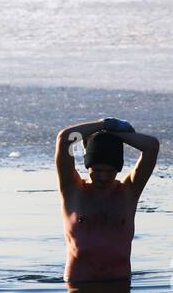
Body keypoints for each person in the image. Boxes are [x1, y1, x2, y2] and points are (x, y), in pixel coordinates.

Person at [55, 119, 159, 283]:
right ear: (88, 167)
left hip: (120, 286)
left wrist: (116, 134)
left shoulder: (129, 192)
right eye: (96, 170)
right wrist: (103, 124)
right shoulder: (72, 191)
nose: (103, 177)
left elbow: (151, 147)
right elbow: (66, 138)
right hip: (78, 289)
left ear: (118, 169)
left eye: (110, 171)